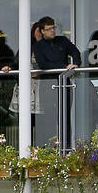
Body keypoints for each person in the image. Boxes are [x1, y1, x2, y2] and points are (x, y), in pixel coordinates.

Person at [28, 17, 81, 146]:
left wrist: (75, 64)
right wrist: (64, 66)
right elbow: (43, 64)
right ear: (42, 31)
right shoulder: (39, 46)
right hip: (48, 85)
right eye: (49, 29)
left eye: (53, 28)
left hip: (64, 83)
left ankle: (66, 148)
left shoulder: (62, 40)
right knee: (49, 118)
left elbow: (75, 52)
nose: (52, 31)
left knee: (65, 116)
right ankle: (50, 147)